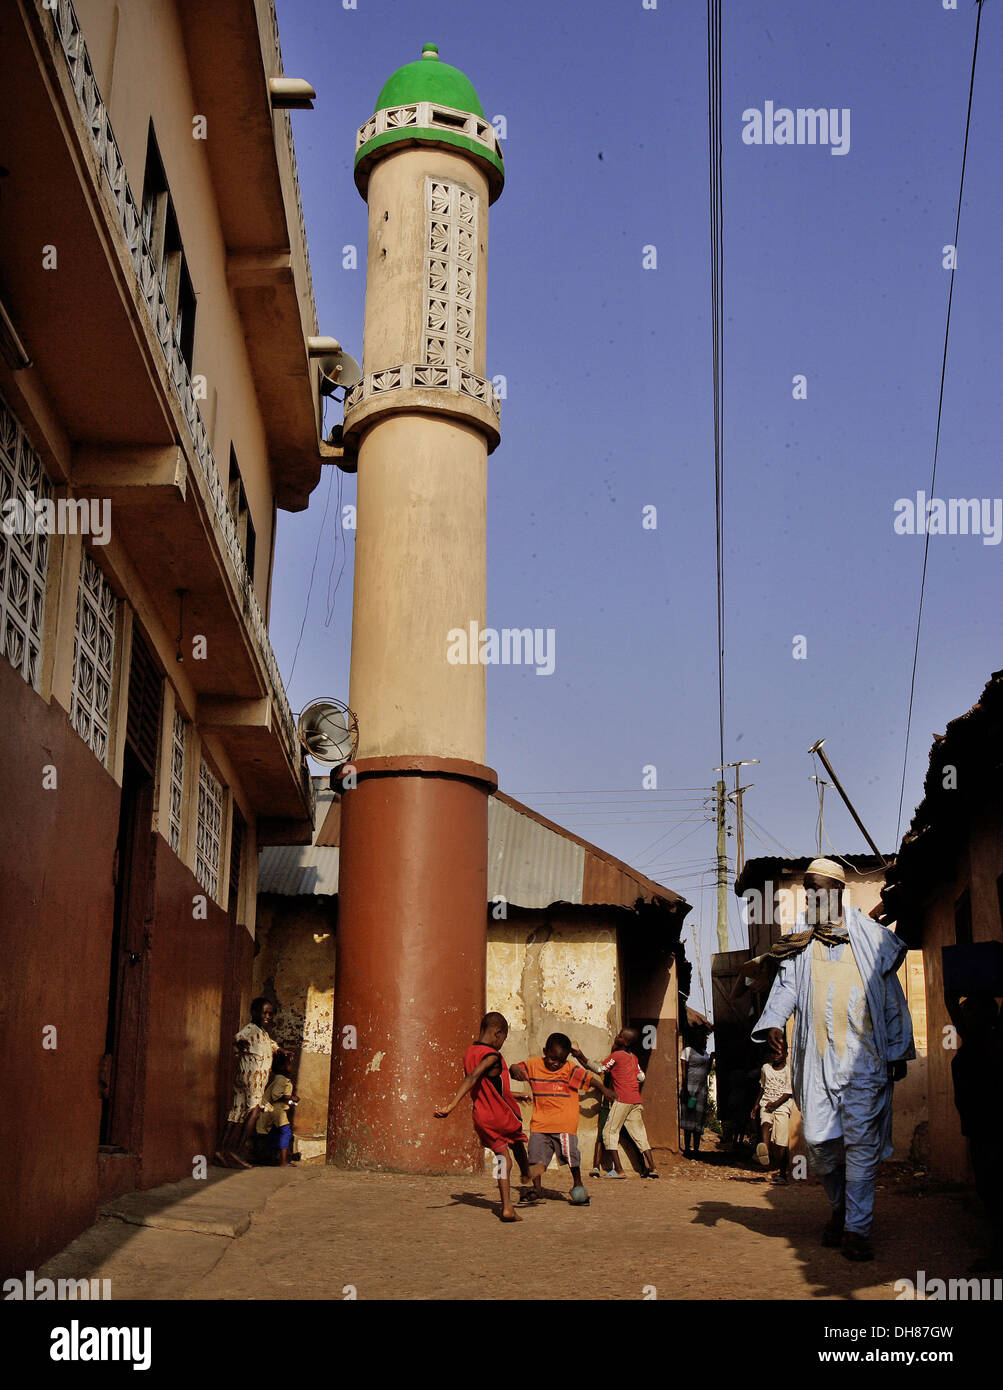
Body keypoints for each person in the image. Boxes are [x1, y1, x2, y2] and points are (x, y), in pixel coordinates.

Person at [752, 858, 914, 1262]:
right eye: (808, 889)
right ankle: (841, 1209)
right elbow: (786, 988)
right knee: (823, 1147)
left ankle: (857, 1230)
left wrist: (897, 1050)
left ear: (838, 892)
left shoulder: (872, 940)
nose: (812, 896)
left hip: (866, 1065)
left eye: (819, 889)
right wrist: (774, 1023)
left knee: (860, 1145)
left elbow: (892, 1000)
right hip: (818, 1066)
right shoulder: (799, 942)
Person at [434, 1012, 532, 1222]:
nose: (502, 1044)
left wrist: (515, 1094)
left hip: (482, 1117)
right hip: (501, 1114)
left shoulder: (470, 1052)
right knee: (516, 1141)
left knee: (502, 1159)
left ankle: (507, 1206)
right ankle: (526, 1174)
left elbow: (486, 1086)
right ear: (498, 1033)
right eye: (503, 1039)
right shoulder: (492, 1056)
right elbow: (473, 1077)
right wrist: (451, 1105)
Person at [511, 1033, 615, 1201]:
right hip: (540, 1124)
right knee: (535, 1156)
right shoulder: (534, 1065)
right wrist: (513, 1067)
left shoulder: (569, 1070)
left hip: (564, 1124)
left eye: (561, 1060)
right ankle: (537, 1188)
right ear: (545, 1051)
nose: (556, 1064)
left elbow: (590, 1079)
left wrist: (605, 1090)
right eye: (552, 1059)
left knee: (571, 1155)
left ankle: (577, 1183)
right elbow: (515, 1069)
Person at [948, 991, 1003, 1271]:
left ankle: (997, 1253)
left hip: (992, 1132)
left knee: (994, 1193)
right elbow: (951, 1003)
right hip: (979, 1131)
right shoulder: (973, 1040)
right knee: (988, 1192)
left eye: (970, 1011)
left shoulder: (989, 1043)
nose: (964, 1016)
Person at [572, 1028, 659, 1178]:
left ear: (624, 1042)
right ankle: (653, 1168)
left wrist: (580, 1056)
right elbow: (641, 1077)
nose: (616, 1037)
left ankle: (619, 1170)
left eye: (619, 1036)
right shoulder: (633, 1057)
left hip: (622, 1099)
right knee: (640, 1135)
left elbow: (600, 1069)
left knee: (609, 1132)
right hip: (635, 1100)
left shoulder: (616, 1056)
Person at [216, 997, 279, 1169]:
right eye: (264, 1013)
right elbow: (238, 1038)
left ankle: (222, 1150)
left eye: (270, 1014)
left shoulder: (263, 1034)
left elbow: (272, 1045)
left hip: (244, 1078)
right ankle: (238, 1150)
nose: (267, 1016)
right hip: (253, 1078)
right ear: (254, 1013)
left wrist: (282, 1050)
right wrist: (240, 1043)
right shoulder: (251, 1029)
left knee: (237, 1112)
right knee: (255, 1110)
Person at [751, 1034, 793, 1183]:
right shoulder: (766, 1068)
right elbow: (762, 1087)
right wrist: (756, 1105)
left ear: (786, 1054)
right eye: (772, 1053)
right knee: (765, 1122)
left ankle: (782, 1174)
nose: (774, 1056)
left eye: (778, 1052)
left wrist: (776, 1104)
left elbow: (788, 1092)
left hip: (782, 1107)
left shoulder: (788, 1071)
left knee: (782, 1143)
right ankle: (765, 1150)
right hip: (766, 1103)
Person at [256, 1050, 298, 1167]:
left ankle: (274, 1158)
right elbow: (276, 1095)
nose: (291, 1067)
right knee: (286, 1133)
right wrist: (292, 1098)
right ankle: (283, 1162)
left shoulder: (280, 1079)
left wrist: (290, 1101)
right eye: (289, 1064)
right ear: (282, 1067)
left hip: (273, 1111)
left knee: (274, 1135)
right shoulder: (281, 1080)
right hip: (277, 1111)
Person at [679, 1031, 712, 1157]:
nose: (703, 1041)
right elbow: (684, 1071)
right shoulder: (687, 1051)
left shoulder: (705, 1054)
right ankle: (687, 1148)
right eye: (701, 1038)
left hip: (701, 1090)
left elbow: (707, 1071)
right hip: (690, 1089)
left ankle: (696, 1149)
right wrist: (686, 1089)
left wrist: (712, 1059)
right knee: (688, 1117)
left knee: (699, 1119)